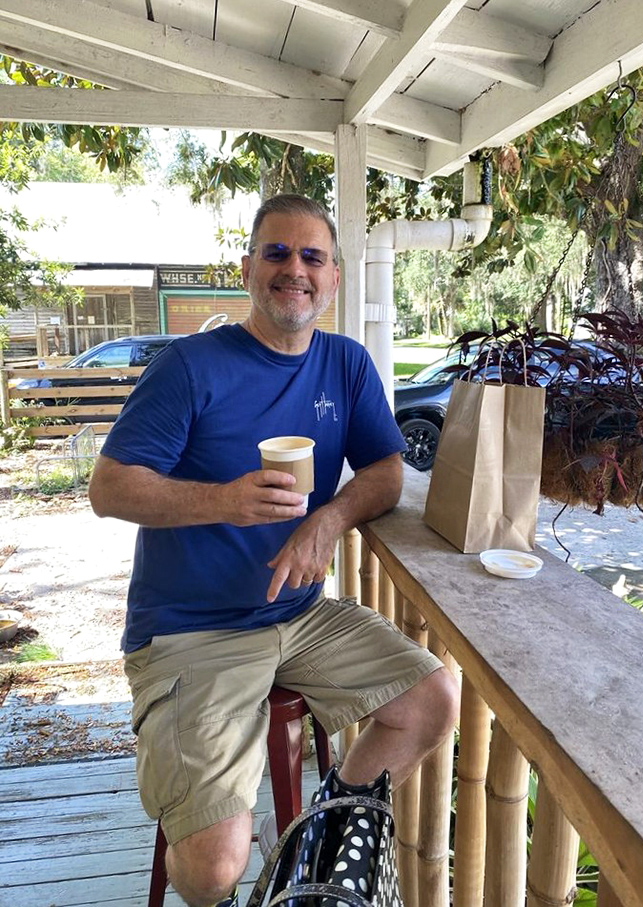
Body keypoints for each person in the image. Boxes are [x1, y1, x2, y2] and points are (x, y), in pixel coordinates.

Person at [88, 194, 460, 907]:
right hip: (193, 628)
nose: (296, 270)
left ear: (333, 277)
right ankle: (253, 866)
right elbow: (110, 487)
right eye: (278, 253)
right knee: (210, 867)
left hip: (298, 614)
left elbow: (385, 470)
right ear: (249, 268)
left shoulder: (346, 364)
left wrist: (329, 520)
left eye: (312, 256)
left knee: (432, 697)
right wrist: (223, 499)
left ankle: (310, 855)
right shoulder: (190, 367)